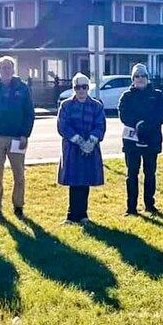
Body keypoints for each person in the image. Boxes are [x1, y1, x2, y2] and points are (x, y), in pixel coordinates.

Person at [0, 56, 34, 220]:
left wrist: (25, 134)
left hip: (17, 138)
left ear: (13, 69)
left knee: (19, 175)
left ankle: (18, 206)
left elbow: (29, 113)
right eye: (3, 67)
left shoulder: (22, 88)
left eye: (9, 67)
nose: (6, 70)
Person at [117, 63, 163, 215]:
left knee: (150, 173)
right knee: (132, 174)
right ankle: (131, 207)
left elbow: (162, 115)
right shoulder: (126, 96)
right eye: (137, 76)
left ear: (148, 78)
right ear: (133, 79)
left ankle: (150, 205)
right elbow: (124, 115)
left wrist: (147, 125)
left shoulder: (157, 95)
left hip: (152, 140)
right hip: (132, 141)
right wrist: (138, 124)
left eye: (143, 76)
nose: (140, 79)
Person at [57, 73, 106, 224]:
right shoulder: (66, 105)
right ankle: (71, 216)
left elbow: (100, 126)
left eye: (84, 87)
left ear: (88, 88)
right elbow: (63, 126)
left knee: (85, 181)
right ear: (74, 88)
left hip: (90, 149)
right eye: (77, 87)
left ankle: (83, 215)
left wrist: (90, 142)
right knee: (74, 181)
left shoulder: (97, 106)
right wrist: (79, 141)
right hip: (72, 148)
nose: (81, 90)